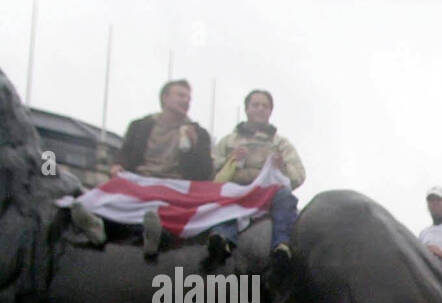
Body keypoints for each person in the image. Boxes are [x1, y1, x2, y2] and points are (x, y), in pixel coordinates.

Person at [70, 79, 214, 257]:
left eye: (189, 98)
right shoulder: (140, 126)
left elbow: (204, 173)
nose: (186, 101)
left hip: (173, 185)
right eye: (181, 95)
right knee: (112, 192)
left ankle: (154, 234)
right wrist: (118, 166)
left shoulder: (199, 133)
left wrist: (195, 147)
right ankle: (96, 224)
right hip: (140, 180)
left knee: (157, 209)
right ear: (165, 98)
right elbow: (126, 152)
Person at [207, 89, 305, 266]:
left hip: (269, 194)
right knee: (224, 195)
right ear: (247, 109)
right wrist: (231, 160)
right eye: (255, 105)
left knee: (286, 197)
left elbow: (298, 175)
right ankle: (223, 237)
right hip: (236, 192)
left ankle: (281, 244)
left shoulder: (281, 144)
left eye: (265, 106)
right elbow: (211, 169)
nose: (260, 109)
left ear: (270, 111)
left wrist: (282, 166)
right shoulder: (228, 141)